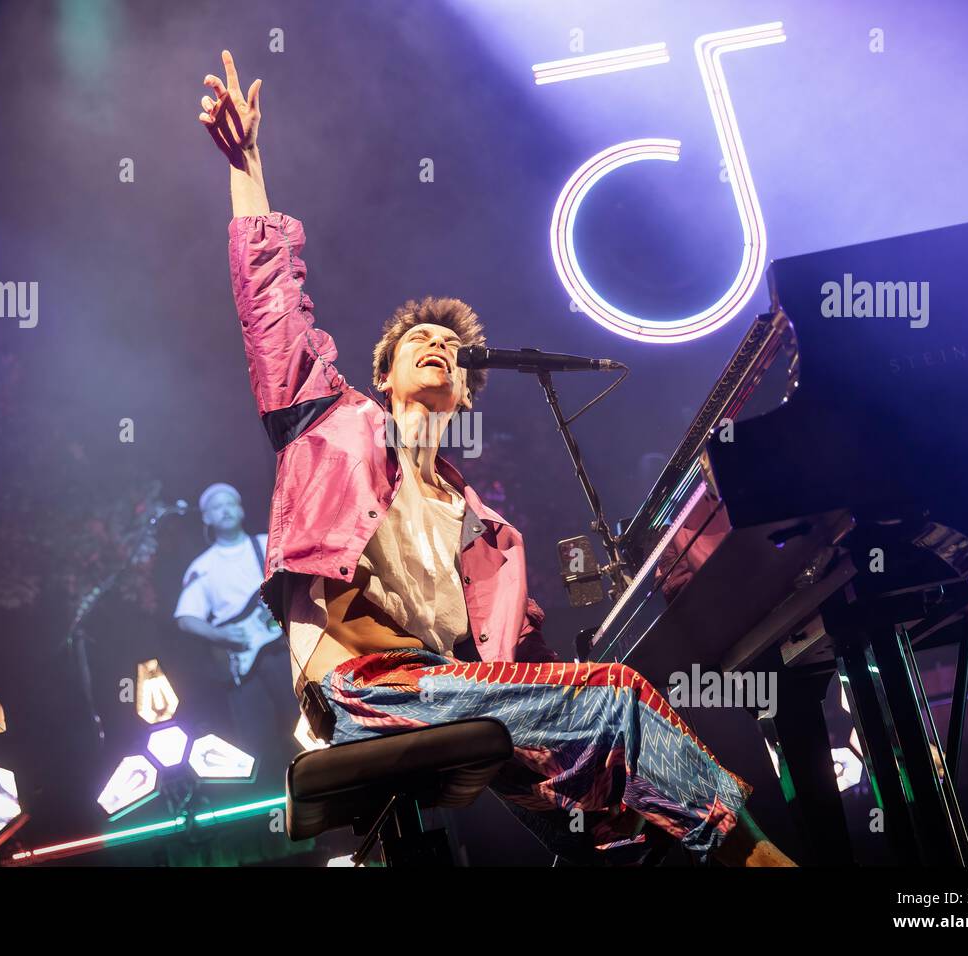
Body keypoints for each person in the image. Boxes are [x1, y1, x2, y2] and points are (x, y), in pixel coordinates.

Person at [197, 50, 793, 865]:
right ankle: (764, 862)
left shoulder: (489, 532)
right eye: (421, 341)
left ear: (469, 394)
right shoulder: (328, 425)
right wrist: (247, 167)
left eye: (452, 348)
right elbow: (273, 306)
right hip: (364, 691)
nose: (439, 347)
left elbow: (529, 667)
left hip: (451, 695)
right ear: (383, 373)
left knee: (606, 805)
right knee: (613, 704)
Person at [174, 482, 296, 787]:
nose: (225, 510)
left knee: (302, 724)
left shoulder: (268, 545)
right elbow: (186, 618)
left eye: (231, 503)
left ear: (241, 509)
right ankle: (274, 808)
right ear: (206, 518)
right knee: (258, 741)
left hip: (283, 652)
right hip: (244, 663)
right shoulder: (203, 567)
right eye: (216, 507)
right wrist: (221, 634)